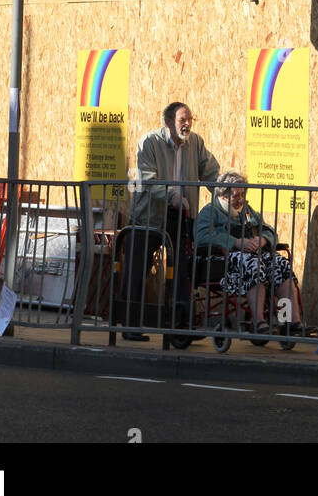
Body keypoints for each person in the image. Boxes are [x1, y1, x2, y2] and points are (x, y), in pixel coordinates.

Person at [121, 102, 220, 339]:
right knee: (138, 268)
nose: (187, 125)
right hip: (149, 215)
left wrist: (227, 189)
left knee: (184, 269)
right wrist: (172, 196)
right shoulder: (149, 143)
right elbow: (149, 179)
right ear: (167, 123)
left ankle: (181, 328)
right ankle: (129, 326)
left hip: (181, 215)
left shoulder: (195, 142)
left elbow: (210, 172)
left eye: (190, 120)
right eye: (181, 120)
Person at [194, 171, 303, 343]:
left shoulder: (246, 211)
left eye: (243, 194)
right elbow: (202, 237)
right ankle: (258, 321)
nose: (240, 200)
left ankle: (289, 320)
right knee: (253, 264)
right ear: (223, 195)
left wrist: (263, 239)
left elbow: (268, 230)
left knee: (281, 264)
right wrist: (236, 243)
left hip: (251, 254)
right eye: (236, 195)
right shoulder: (210, 212)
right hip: (221, 260)